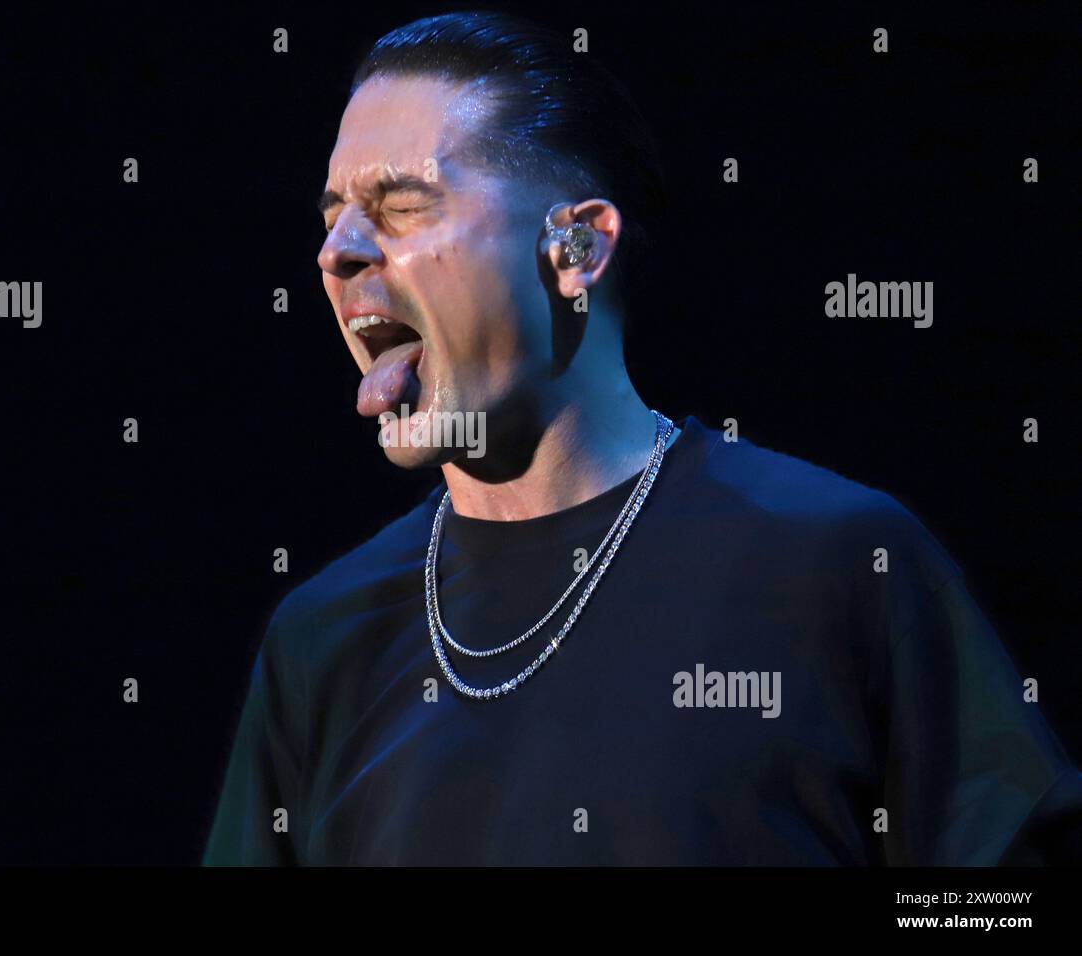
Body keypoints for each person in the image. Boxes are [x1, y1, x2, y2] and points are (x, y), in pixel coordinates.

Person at [203, 11, 1082, 865]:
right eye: (332, 216)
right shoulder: (320, 639)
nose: (339, 251)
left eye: (399, 203)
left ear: (576, 251)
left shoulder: (837, 561)